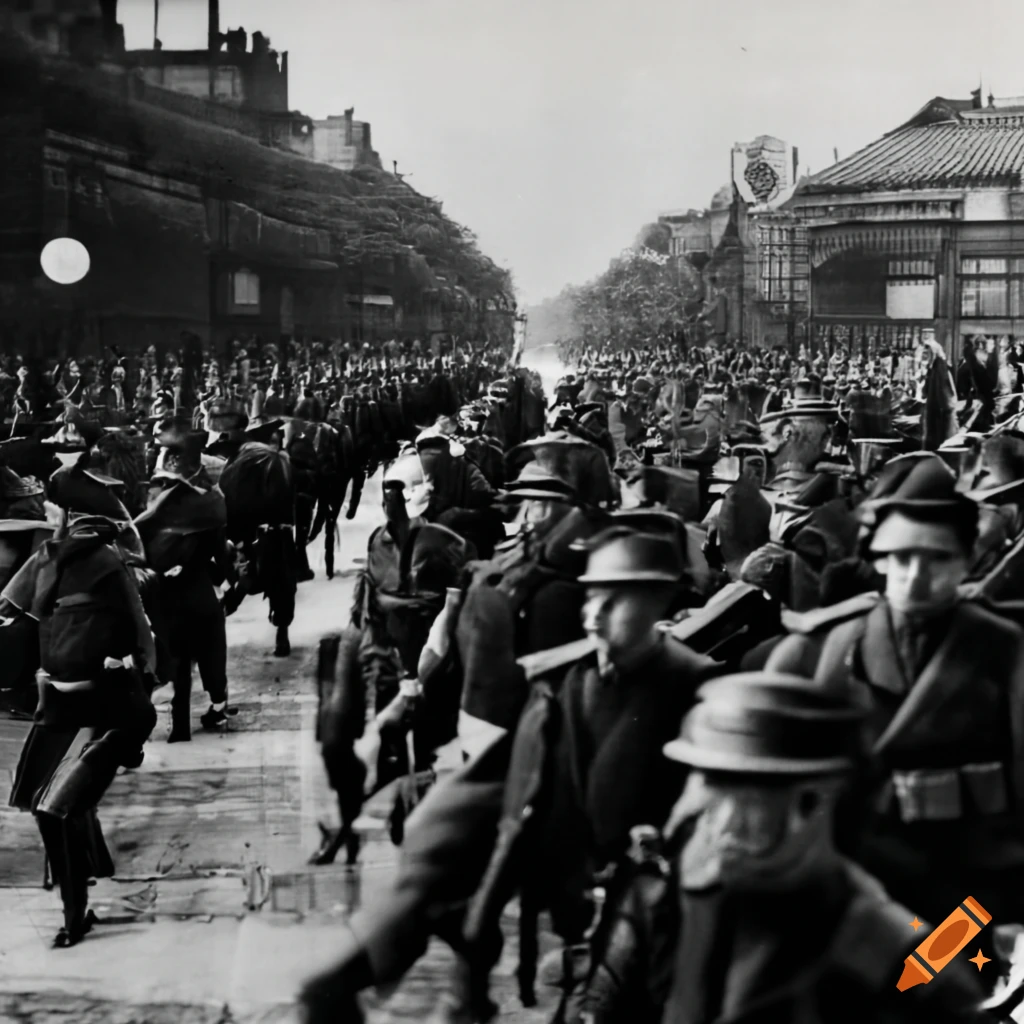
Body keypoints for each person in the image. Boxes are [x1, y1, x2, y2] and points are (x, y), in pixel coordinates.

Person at [570, 671, 989, 1024]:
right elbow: (604, 1000)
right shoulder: (662, 893)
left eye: (737, 791)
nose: (710, 815)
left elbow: (949, 990)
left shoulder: (897, 927)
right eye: (703, 780)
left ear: (810, 801)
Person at [767, 454, 1024, 948]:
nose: (916, 575)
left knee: (936, 986)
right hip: (861, 873)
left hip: (969, 883)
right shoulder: (840, 646)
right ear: (880, 561)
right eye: (902, 559)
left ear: (966, 561)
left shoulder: (1002, 647)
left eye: (936, 560)